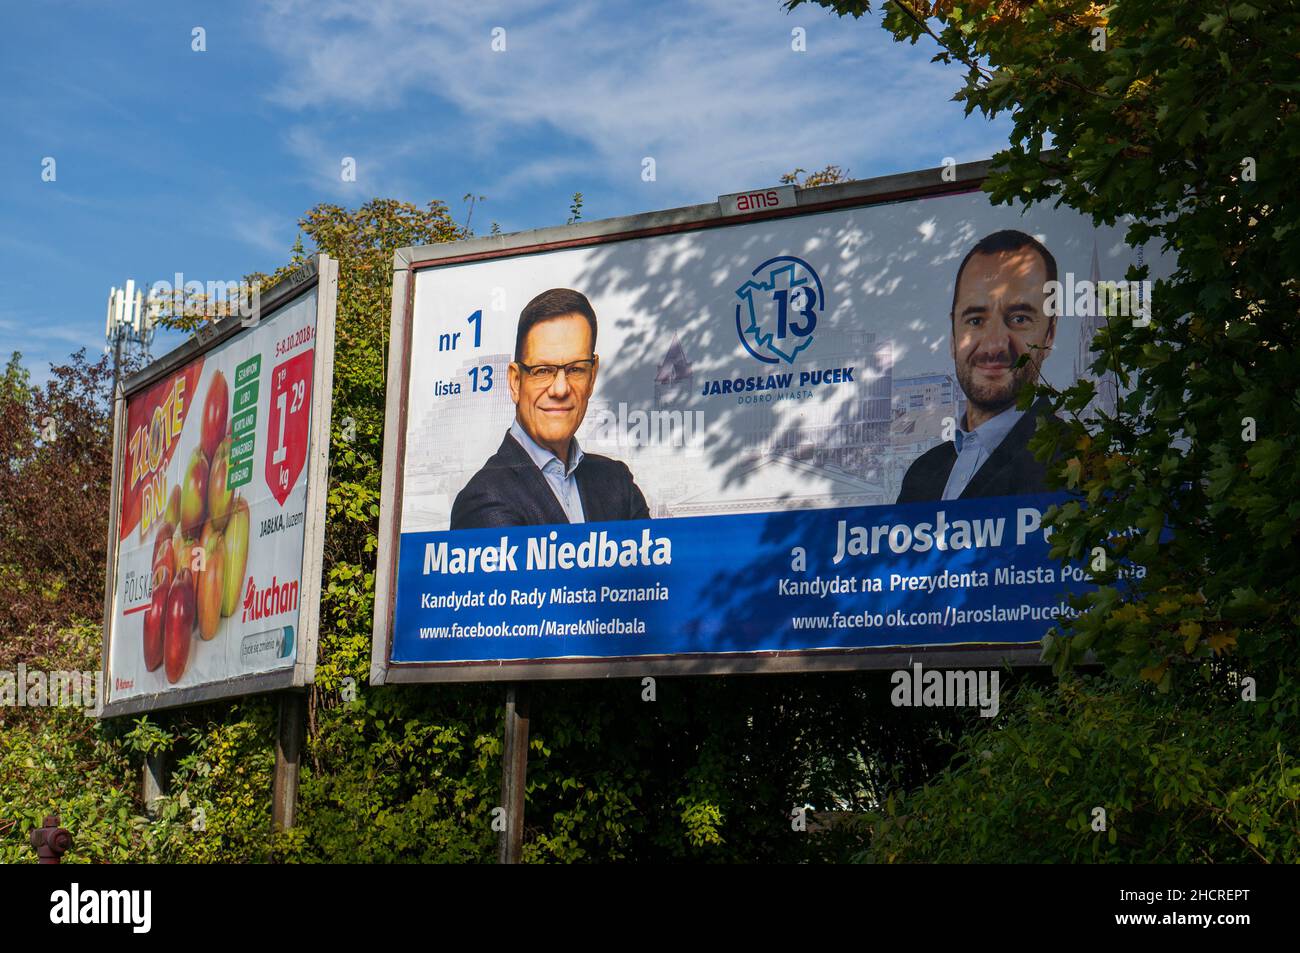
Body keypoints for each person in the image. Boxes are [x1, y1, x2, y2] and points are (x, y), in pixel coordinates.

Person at [450, 288, 650, 529]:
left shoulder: (618, 483)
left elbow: (656, 568)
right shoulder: (484, 499)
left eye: (576, 369)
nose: (560, 389)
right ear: (515, 381)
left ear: (592, 376)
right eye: (543, 371)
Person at [897, 229, 1062, 503]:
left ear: (1049, 335)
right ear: (953, 336)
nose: (994, 345)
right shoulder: (922, 475)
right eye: (975, 320)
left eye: (1019, 319)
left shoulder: (1074, 462)